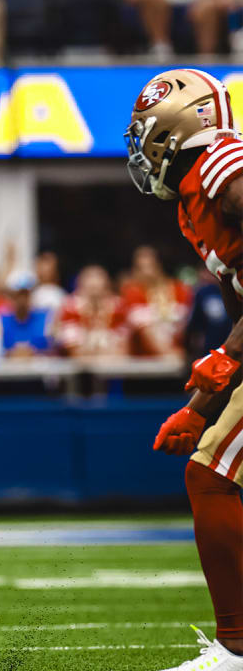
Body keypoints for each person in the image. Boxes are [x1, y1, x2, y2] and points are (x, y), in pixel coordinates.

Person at [126, 68, 243, 670]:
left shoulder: (225, 165)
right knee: (211, 474)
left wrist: (218, 367)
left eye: (145, 130)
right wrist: (198, 409)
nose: (140, 146)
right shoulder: (199, 195)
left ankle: (237, 649)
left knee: (212, 476)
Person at [0, 272, 53, 357]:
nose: (22, 301)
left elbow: (54, 350)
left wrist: (33, 353)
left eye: (26, 295)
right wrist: (11, 354)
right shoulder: (1, 322)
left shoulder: (46, 320)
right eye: (18, 296)